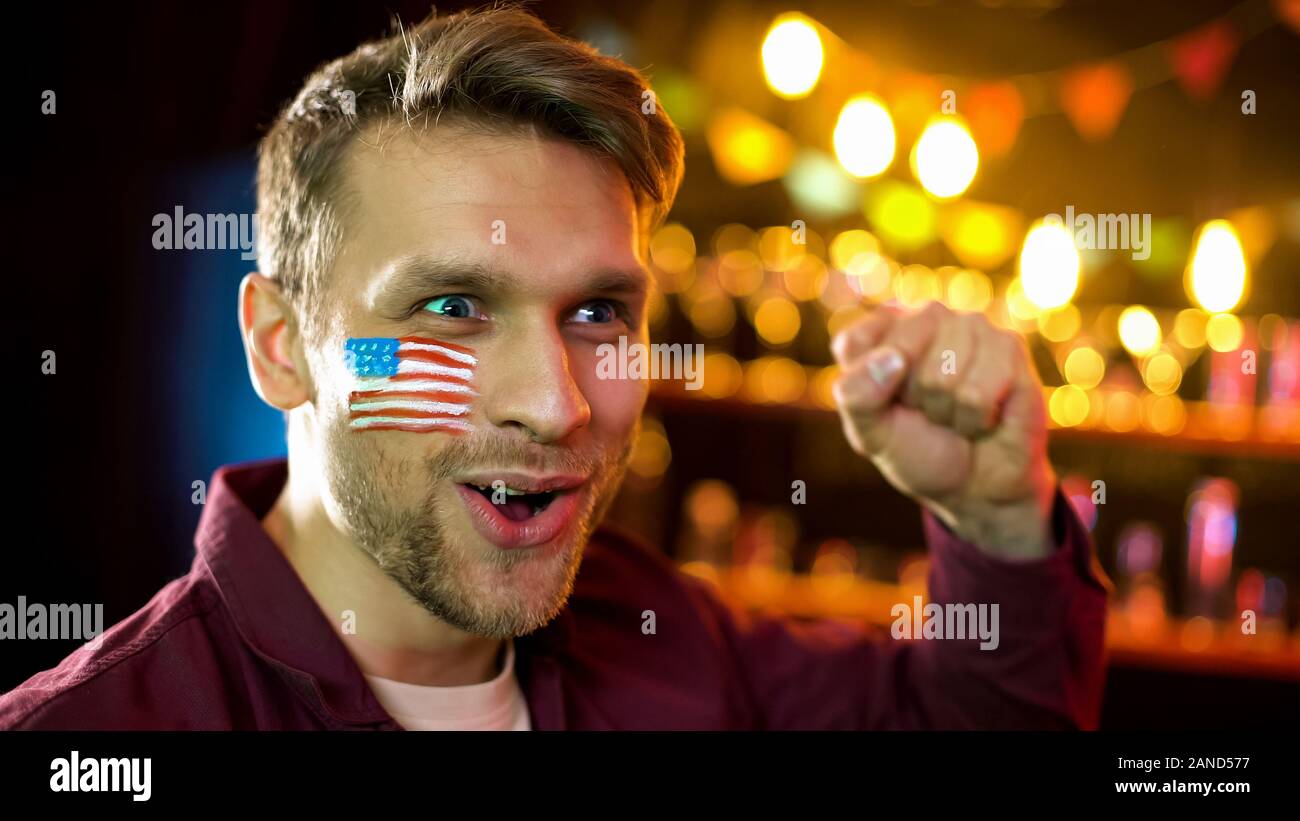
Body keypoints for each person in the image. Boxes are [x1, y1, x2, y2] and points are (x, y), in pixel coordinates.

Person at [0, 5, 1107, 730]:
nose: (555, 401)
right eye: (451, 308)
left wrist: (998, 515)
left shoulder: (672, 637)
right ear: (282, 345)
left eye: (595, 310)